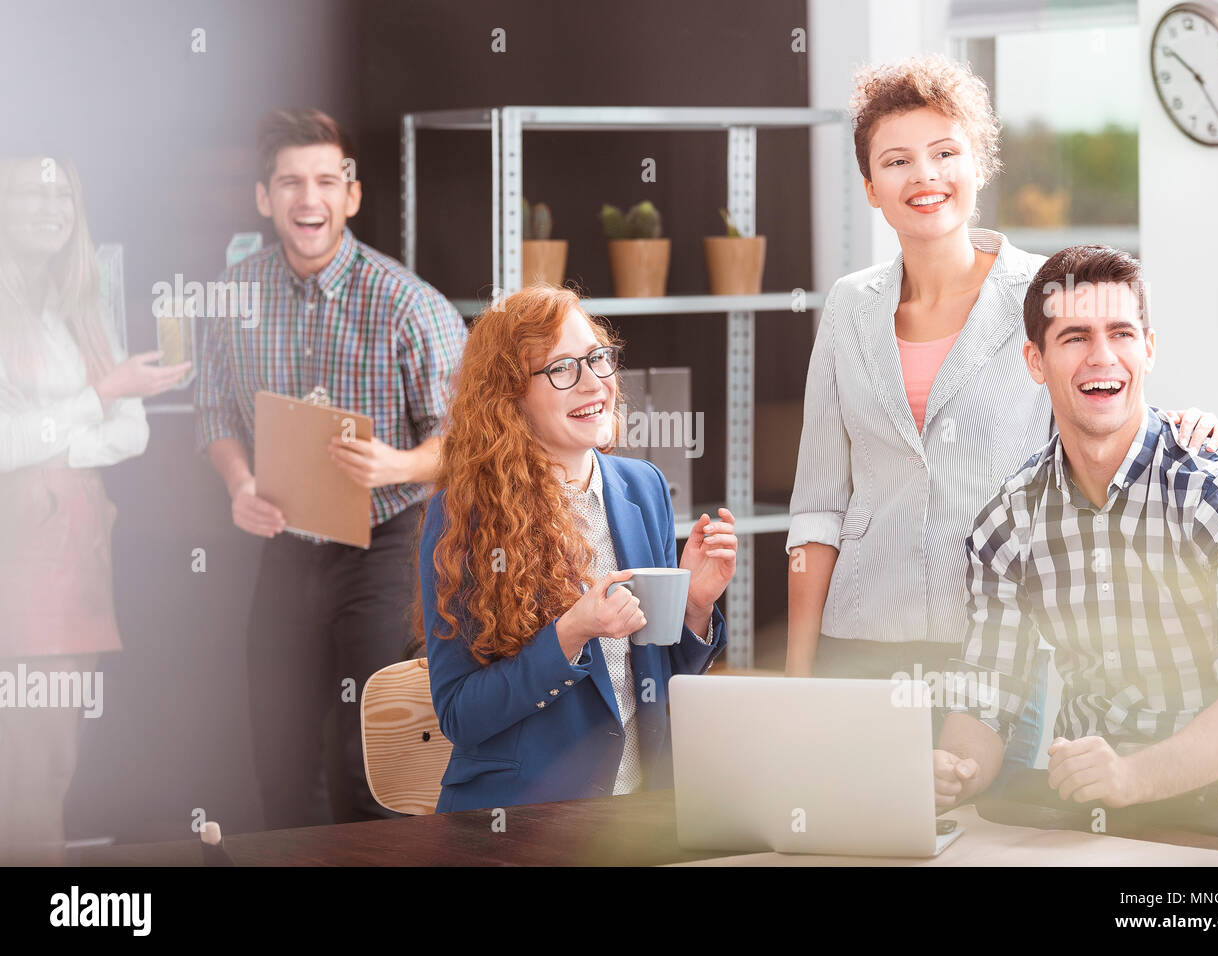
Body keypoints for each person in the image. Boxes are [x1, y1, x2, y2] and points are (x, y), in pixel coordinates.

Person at [785, 55, 1218, 780]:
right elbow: (816, 506)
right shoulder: (847, 306)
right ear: (871, 187)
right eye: (896, 161)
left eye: (945, 153)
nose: (923, 176)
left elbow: (1108, 397)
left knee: (992, 836)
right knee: (856, 837)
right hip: (859, 639)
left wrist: (1191, 428)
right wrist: (800, 672)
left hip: (999, 651)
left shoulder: (1046, 293)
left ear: (979, 165)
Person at [935, 244, 1218, 848]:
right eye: (1075, 336)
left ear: (1148, 349)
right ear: (1036, 360)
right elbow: (987, 696)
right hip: (1085, 813)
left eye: (1121, 332)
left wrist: (1132, 777)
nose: (1101, 357)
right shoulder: (1008, 523)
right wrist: (949, 773)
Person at [194, 109, 468, 829]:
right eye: (289, 182)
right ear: (264, 199)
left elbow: (467, 438)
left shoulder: (409, 305)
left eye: (325, 180)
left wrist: (398, 463)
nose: (307, 198)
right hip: (286, 542)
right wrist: (239, 484)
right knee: (278, 755)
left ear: (351, 194)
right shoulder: (233, 299)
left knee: (369, 755)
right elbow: (215, 410)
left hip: (385, 545)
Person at [417, 286, 733, 812]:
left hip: (640, 817)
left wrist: (695, 606)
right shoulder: (463, 516)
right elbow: (459, 715)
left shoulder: (642, 485)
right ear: (510, 396)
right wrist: (571, 633)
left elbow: (657, 680)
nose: (593, 384)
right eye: (562, 368)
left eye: (597, 358)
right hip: (522, 821)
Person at [0, 156, 189, 862]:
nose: (49, 206)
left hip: (77, 557)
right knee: (26, 767)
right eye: (29, 192)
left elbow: (130, 433)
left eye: (62, 194)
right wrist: (96, 396)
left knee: (54, 763)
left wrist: (57, 438)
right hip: (19, 560)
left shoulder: (79, 307)